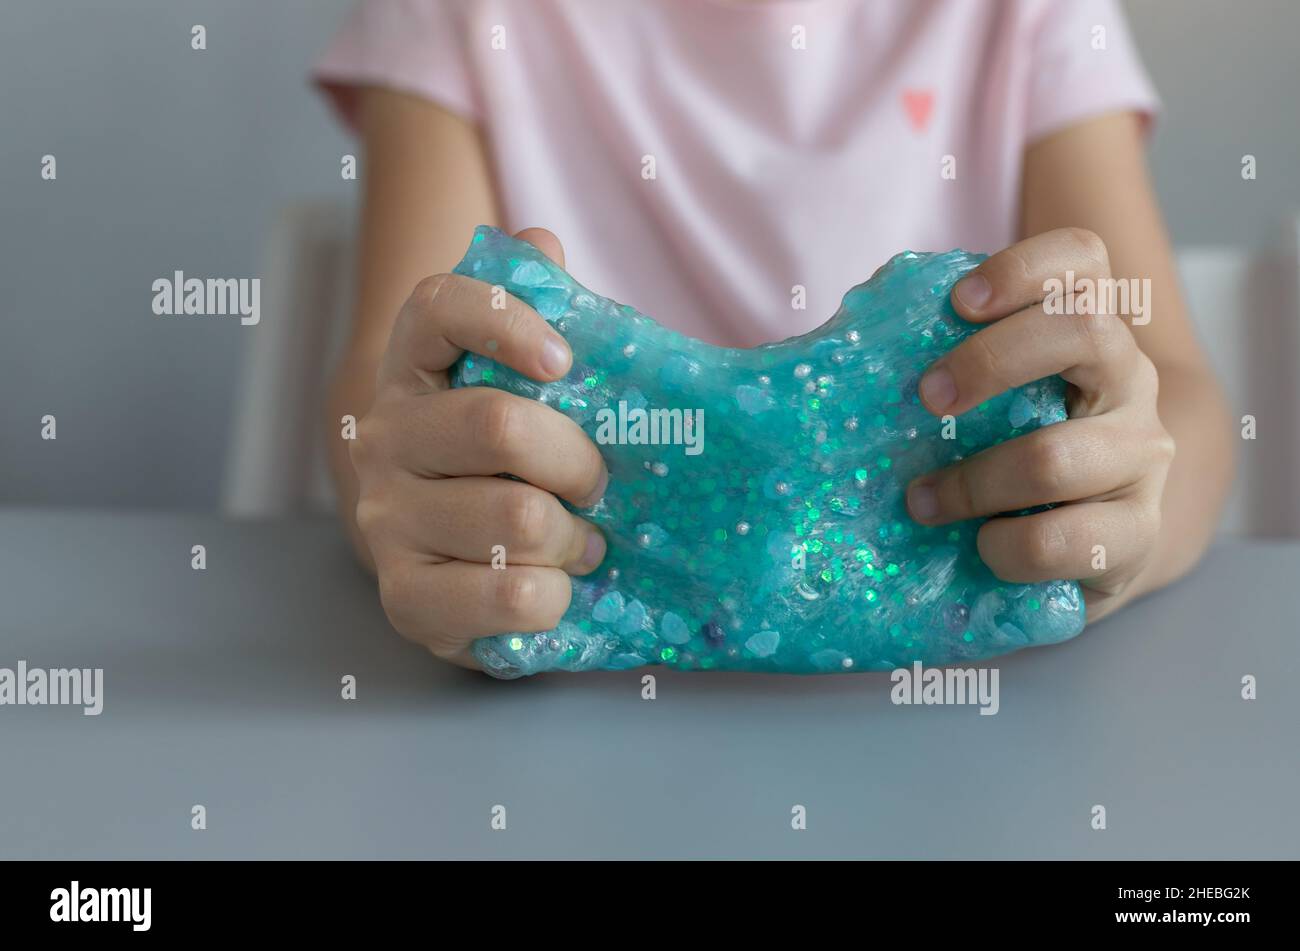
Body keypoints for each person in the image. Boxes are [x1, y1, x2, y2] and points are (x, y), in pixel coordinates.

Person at [312, 0, 1232, 670]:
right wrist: (427, 512)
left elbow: (1171, 386)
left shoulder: (1028, 17)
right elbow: (393, 395)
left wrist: (1117, 513)